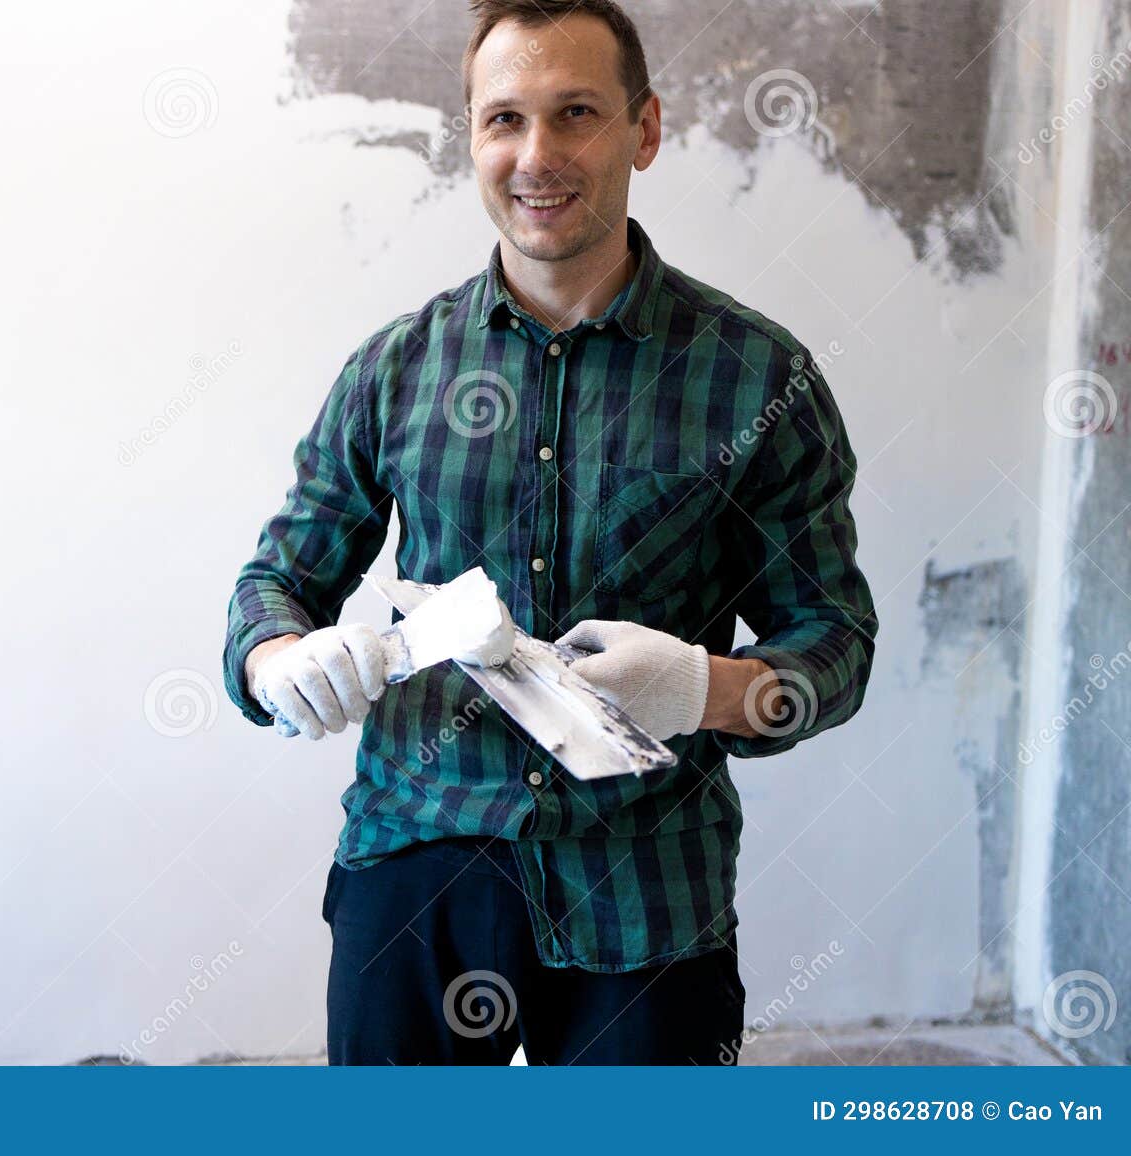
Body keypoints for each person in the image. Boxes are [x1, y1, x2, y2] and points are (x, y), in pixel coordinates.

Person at [222, 0, 877, 1065]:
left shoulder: (756, 379)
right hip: (419, 859)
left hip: (648, 885)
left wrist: (701, 688)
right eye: (505, 119)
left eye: (576, 112)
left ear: (644, 129)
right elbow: (275, 581)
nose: (537, 156)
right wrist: (278, 660)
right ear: (471, 137)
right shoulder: (395, 369)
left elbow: (835, 643)